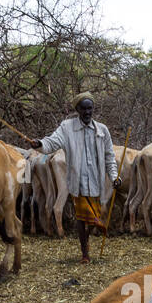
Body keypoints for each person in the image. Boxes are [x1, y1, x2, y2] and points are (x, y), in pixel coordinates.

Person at [29, 93, 119, 263]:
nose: (87, 112)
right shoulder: (67, 127)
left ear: (93, 109)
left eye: (90, 108)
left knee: (92, 217)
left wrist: (114, 176)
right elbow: (53, 142)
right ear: (77, 109)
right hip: (77, 181)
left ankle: (94, 230)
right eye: (83, 108)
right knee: (81, 218)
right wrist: (39, 144)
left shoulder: (102, 130)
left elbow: (109, 156)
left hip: (96, 181)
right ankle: (84, 253)